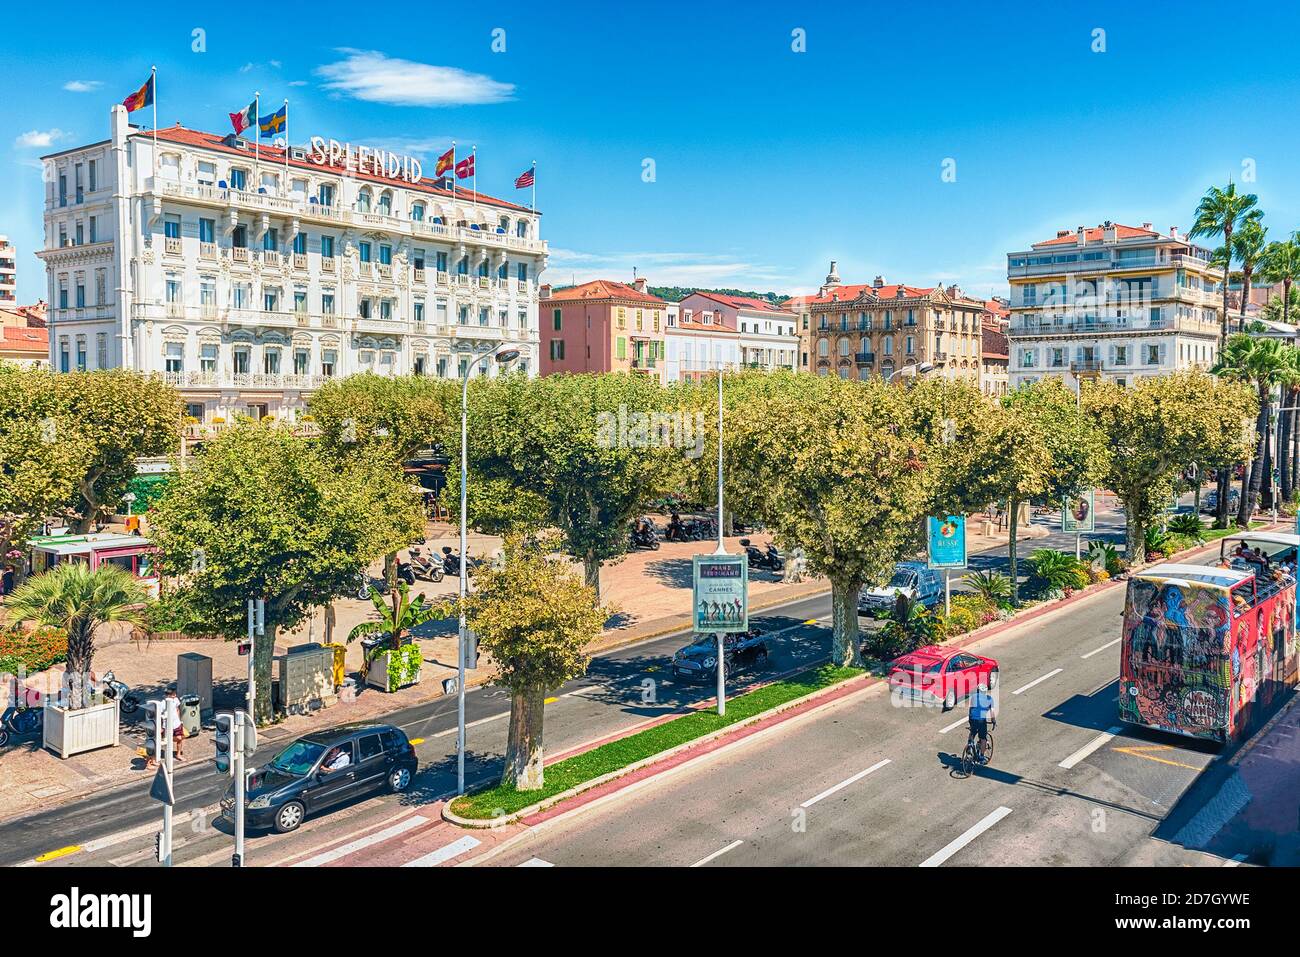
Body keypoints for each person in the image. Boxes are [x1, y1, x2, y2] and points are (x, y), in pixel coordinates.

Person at [967, 685, 997, 763]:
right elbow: (992, 712)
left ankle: (970, 745)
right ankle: (981, 756)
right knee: (983, 739)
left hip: (972, 718)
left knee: (972, 732)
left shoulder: (974, 697)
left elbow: (971, 709)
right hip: (981, 721)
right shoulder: (990, 699)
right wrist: (993, 721)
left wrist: (970, 719)